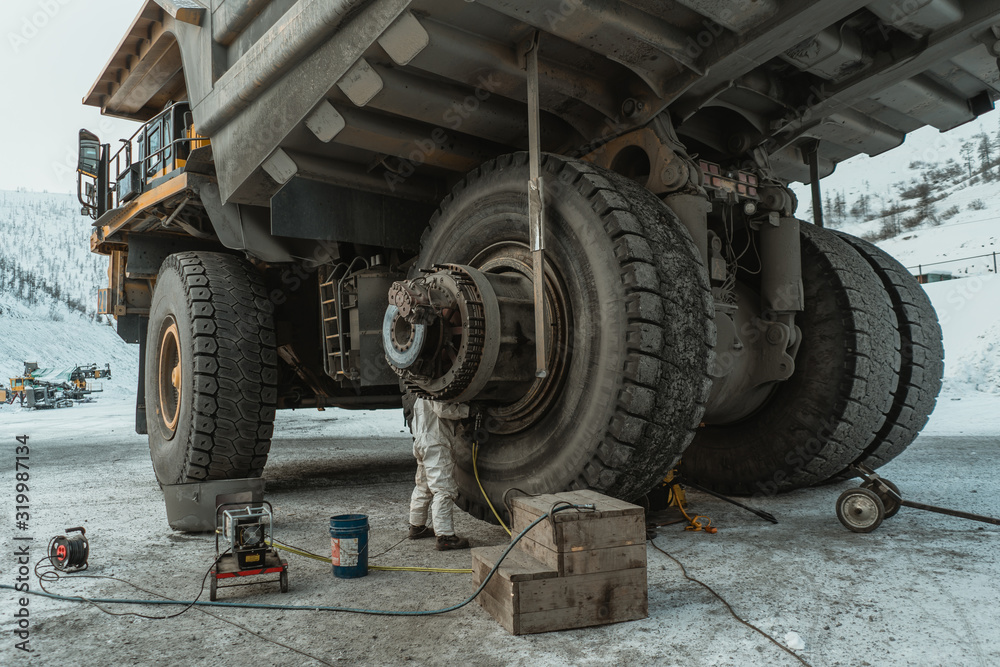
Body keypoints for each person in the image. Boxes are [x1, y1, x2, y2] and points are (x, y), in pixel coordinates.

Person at [406, 397, 471, 550]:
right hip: (436, 443)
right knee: (444, 489)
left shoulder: (420, 392)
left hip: (421, 441)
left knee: (423, 486)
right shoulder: (433, 391)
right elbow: (443, 409)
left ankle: (416, 526)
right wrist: (469, 410)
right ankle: (445, 537)